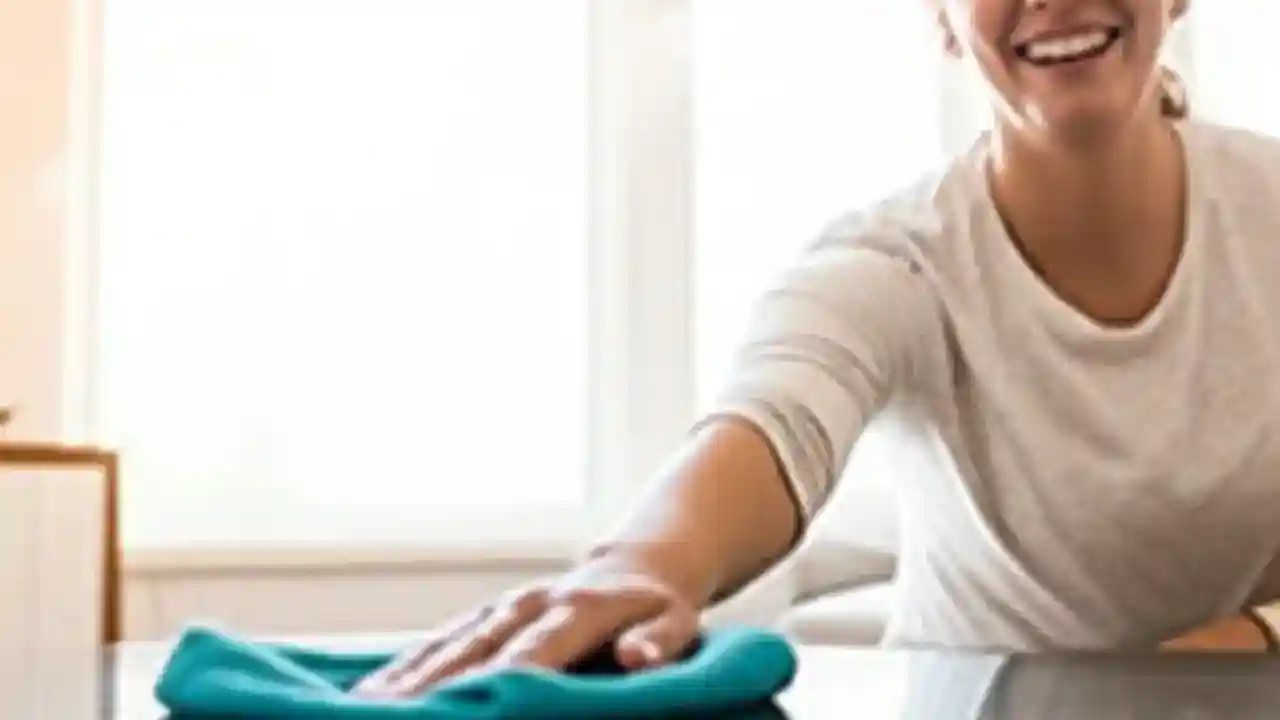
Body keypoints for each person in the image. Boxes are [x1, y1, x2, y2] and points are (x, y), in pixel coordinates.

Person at [354, 0, 1280, 698]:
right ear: (944, 22)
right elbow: (777, 415)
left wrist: (1240, 641)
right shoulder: (897, 264)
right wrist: (645, 562)